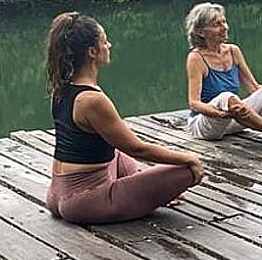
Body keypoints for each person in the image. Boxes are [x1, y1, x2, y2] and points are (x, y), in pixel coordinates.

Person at [45, 12, 203, 225]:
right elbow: (137, 149)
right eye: (104, 41)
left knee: (116, 151)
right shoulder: (92, 100)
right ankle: (150, 193)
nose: (109, 45)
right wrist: (190, 159)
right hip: (86, 201)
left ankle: (148, 191)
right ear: (92, 52)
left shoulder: (62, 88)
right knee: (187, 171)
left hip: (56, 193)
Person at [183, 2, 262, 148]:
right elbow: (194, 103)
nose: (225, 27)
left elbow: (254, 88)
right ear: (200, 32)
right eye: (217, 24)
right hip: (205, 124)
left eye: (224, 22)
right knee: (227, 97)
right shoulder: (196, 58)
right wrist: (219, 114)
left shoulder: (233, 51)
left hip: (232, 119)